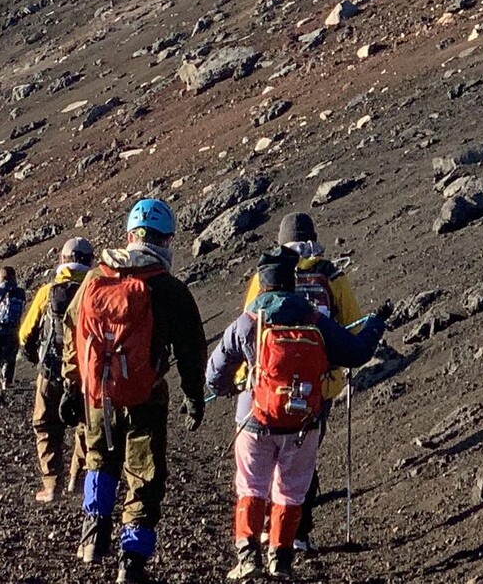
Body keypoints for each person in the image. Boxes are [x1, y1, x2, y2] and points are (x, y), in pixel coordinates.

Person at [209, 248, 387, 580]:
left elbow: (214, 374)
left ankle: (248, 558)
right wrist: (375, 326)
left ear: (262, 284)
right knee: (290, 490)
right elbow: (356, 352)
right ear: (292, 283)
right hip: (305, 421)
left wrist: (230, 389)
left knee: (251, 487)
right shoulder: (314, 319)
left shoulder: (247, 322)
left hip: (254, 419)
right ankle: (281, 560)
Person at [60, 198, 207, 584]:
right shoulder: (169, 289)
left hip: (98, 394)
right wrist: (194, 395)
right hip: (147, 396)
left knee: (99, 459)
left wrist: (71, 383)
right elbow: (192, 350)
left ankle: (93, 537)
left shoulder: (94, 279)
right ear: (167, 239)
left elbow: (71, 329)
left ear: (129, 235)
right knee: (144, 475)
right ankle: (132, 561)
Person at [243, 211, 366, 555]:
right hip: (318, 385)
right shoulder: (330, 274)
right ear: (313, 237)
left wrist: (241, 378)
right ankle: (298, 534)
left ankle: (267, 530)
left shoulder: (265, 274)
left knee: (263, 459)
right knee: (301, 459)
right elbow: (352, 326)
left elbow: (249, 327)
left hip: (267, 386)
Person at [18, 237, 95, 501]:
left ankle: (52, 486)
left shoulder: (47, 292)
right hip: (87, 374)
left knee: (46, 425)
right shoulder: (95, 290)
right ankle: (78, 480)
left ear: (63, 260)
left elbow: (25, 334)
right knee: (85, 427)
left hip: (51, 370)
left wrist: (34, 358)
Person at [0, 265, 27, 390]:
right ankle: (7, 381)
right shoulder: (20, 291)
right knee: (10, 355)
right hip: (14, 328)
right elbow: (23, 307)